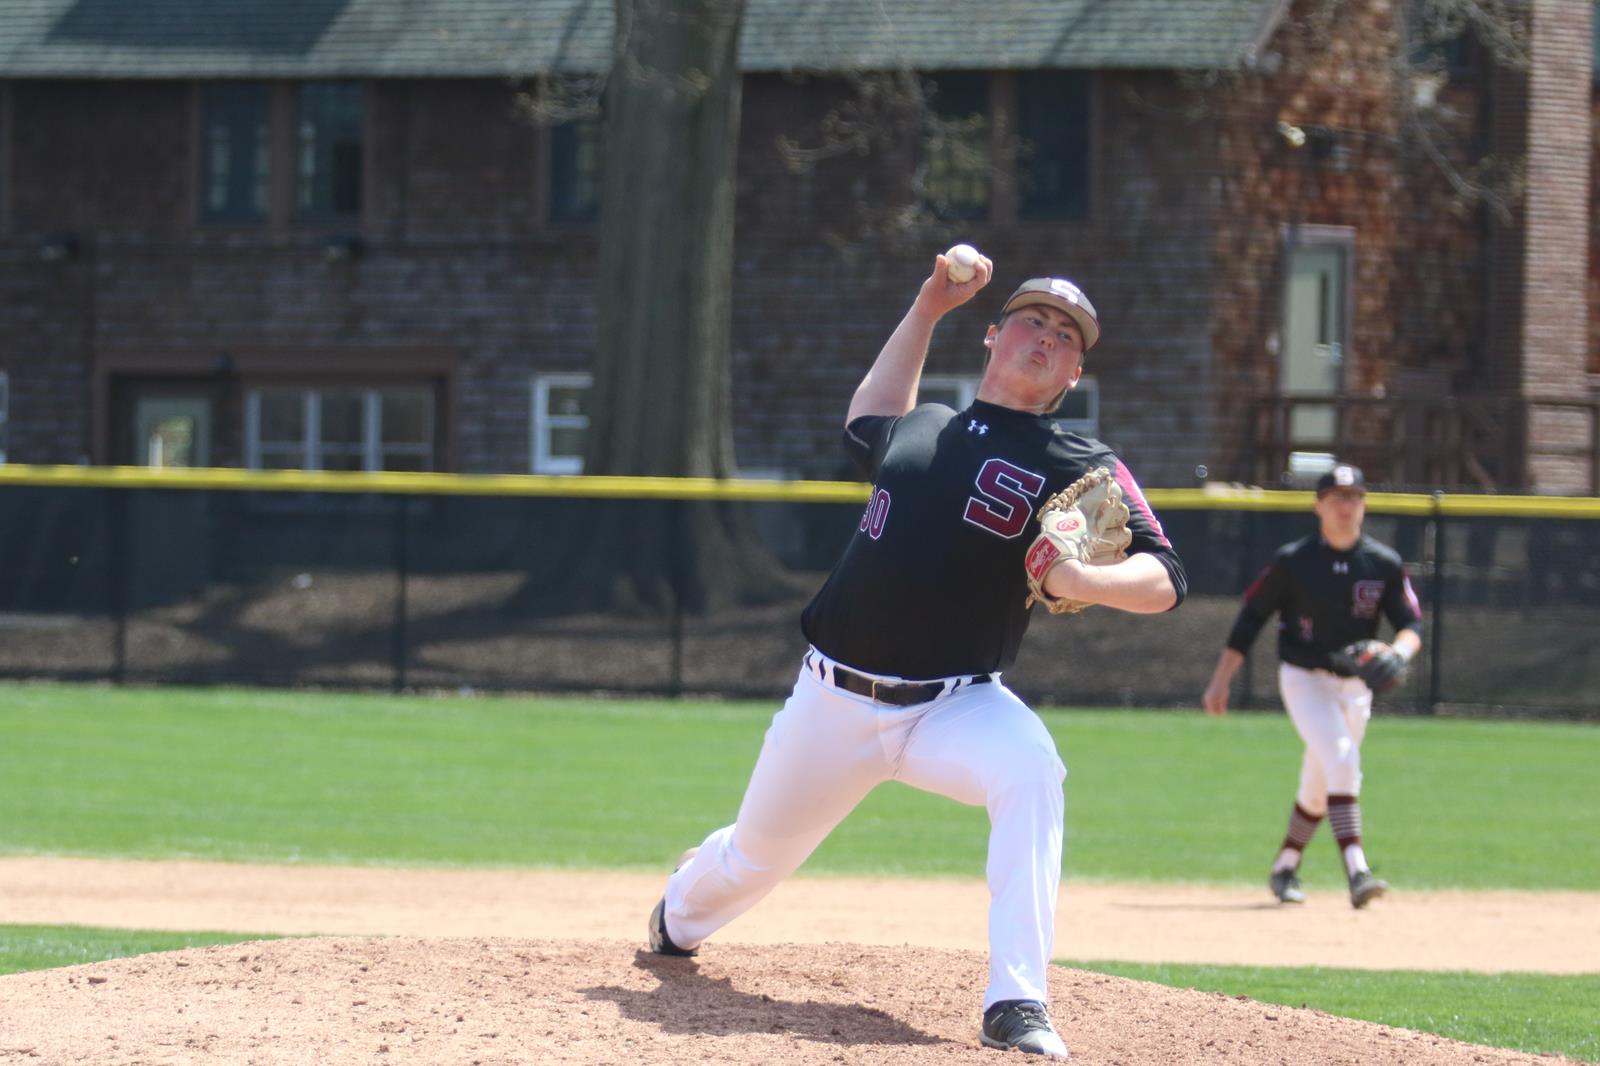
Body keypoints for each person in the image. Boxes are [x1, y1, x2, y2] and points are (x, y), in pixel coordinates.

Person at [647, 252, 1187, 1059]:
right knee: (752, 859)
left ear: (1074, 371)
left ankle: (1017, 1001)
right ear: (995, 337)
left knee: (1032, 768)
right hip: (833, 701)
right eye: (1032, 321)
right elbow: (866, 420)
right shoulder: (926, 424)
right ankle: (675, 913)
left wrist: (1083, 577)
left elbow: (1167, 577)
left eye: (1065, 335)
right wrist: (929, 306)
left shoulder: (1083, 465)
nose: (1045, 338)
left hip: (954, 704)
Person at [1200, 463, 1423, 909]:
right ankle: (1357, 871)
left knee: (1321, 780)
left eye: (1355, 497)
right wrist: (1221, 679)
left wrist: (1398, 652)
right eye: (1337, 497)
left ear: (1364, 504)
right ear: (1318, 505)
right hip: (1303, 679)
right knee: (1342, 760)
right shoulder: (1294, 560)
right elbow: (1251, 619)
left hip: (1355, 686)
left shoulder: (1382, 563)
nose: (1346, 506)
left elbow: (1411, 624)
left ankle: (1285, 866)